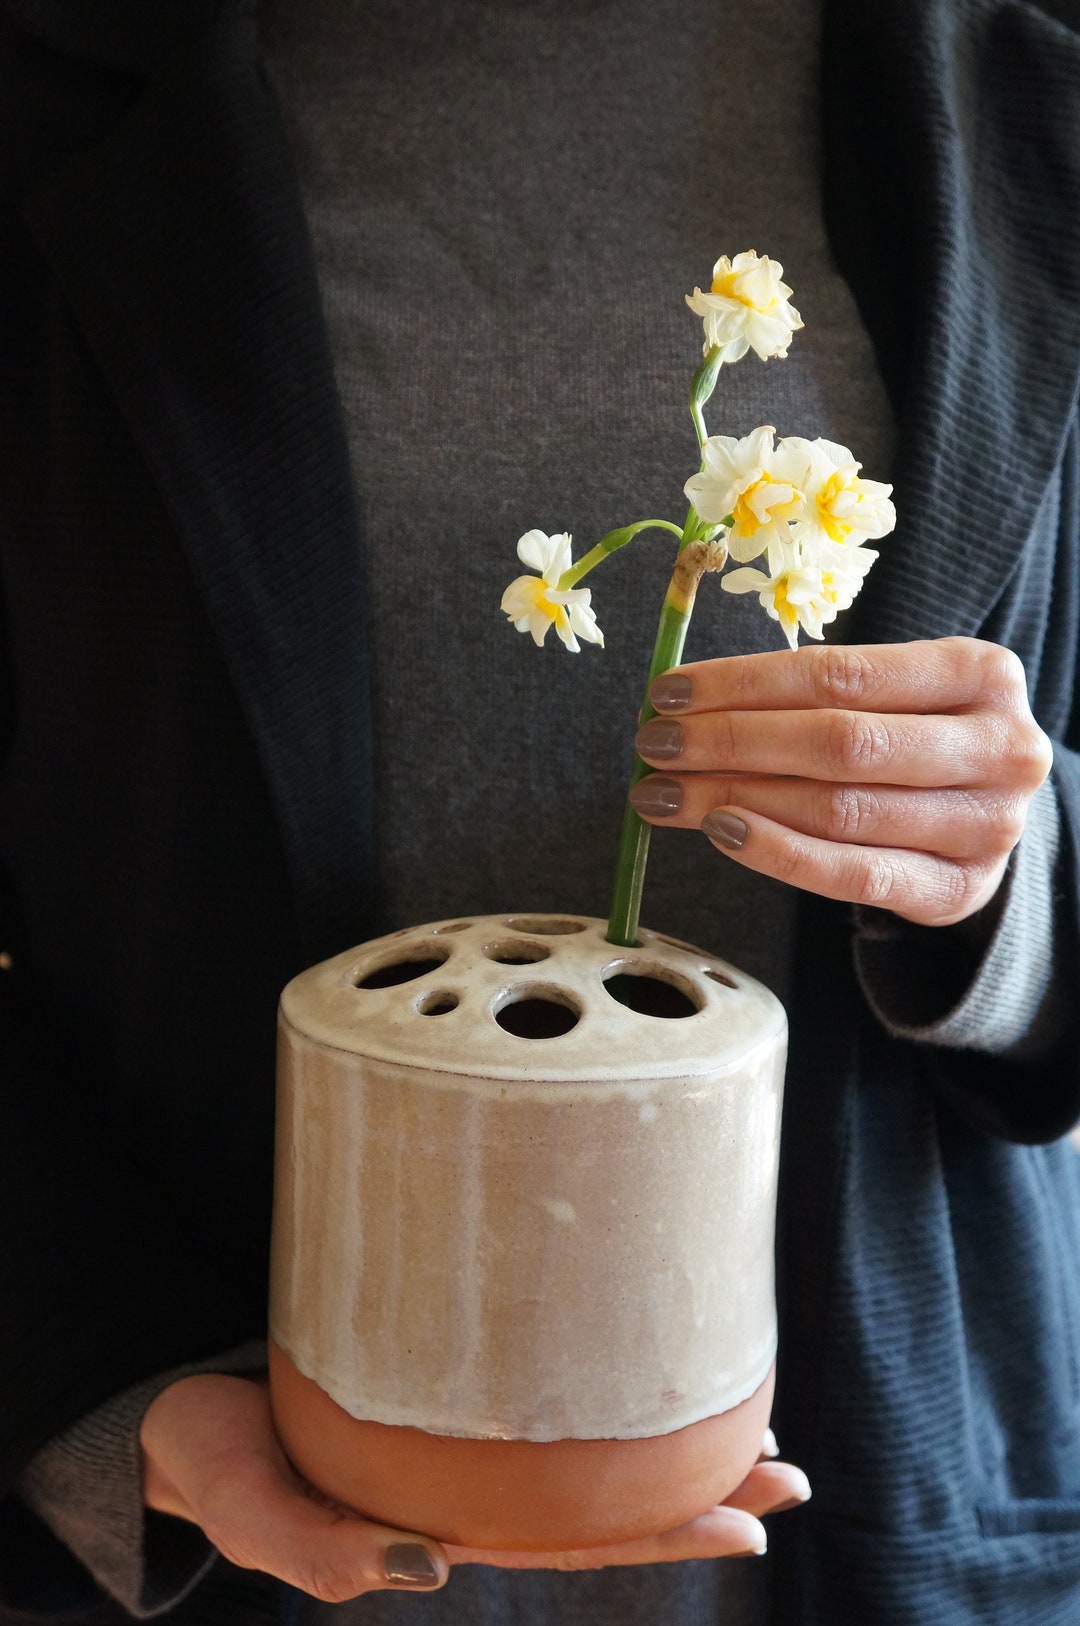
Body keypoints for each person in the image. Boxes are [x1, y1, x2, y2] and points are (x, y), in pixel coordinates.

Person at [2, 0, 1079, 1622]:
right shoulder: (51, 84)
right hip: (243, 1525)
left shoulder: (1017, 67)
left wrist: (1010, 874)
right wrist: (98, 1382)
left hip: (881, 1520)